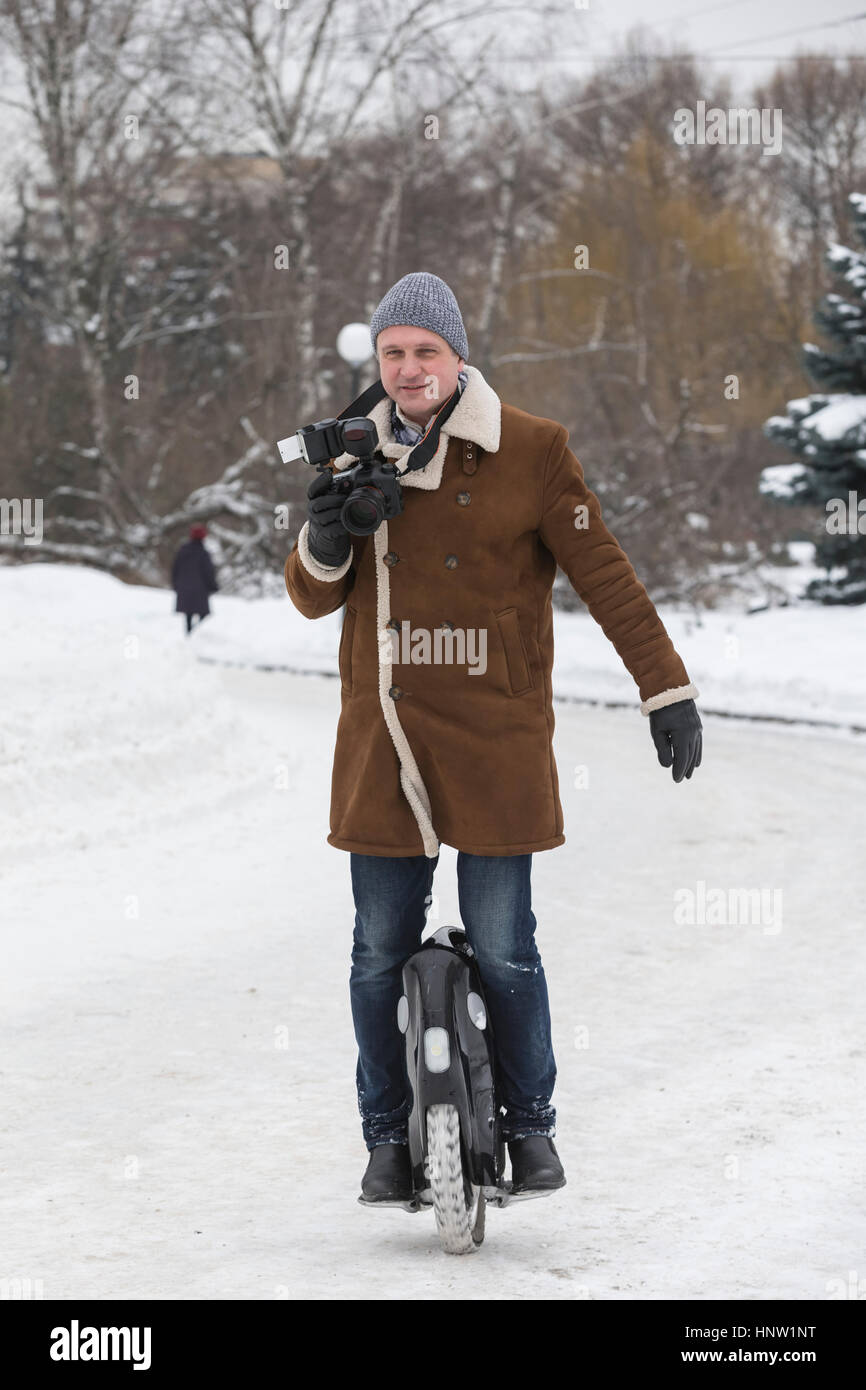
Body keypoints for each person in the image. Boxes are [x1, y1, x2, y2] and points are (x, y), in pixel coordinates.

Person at [284, 271, 703, 1203]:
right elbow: (313, 596)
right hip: (384, 743)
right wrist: (323, 532)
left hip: (497, 738)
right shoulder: (352, 458)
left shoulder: (534, 451)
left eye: (425, 351)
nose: (407, 369)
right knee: (374, 955)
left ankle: (530, 1125)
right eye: (392, 353)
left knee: (508, 947)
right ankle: (387, 1140)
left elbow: (607, 574)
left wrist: (664, 687)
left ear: (458, 357)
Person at [171, 523, 219, 635]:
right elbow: (208, 572)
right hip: (200, 590)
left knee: (188, 613)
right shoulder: (203, 553)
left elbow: (175, 569)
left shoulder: (183, 551)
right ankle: (193, 633)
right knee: (203, 613)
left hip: (184, 588)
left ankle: (189, 633)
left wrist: (175, 584)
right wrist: (213, 586)